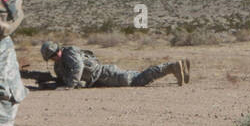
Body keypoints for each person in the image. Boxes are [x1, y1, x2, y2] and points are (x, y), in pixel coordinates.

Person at [39, 41, 189, 88]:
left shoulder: (69, 53)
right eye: (52, 57)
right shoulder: (59, 65)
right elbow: (66, 79)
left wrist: (70, 85)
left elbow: (78, 68)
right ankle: (176, 67)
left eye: (55, 54)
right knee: (138, 78)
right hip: (102, 79)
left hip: (106, 74)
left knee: (137, 79)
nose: (55, 57)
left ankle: (172, 67)